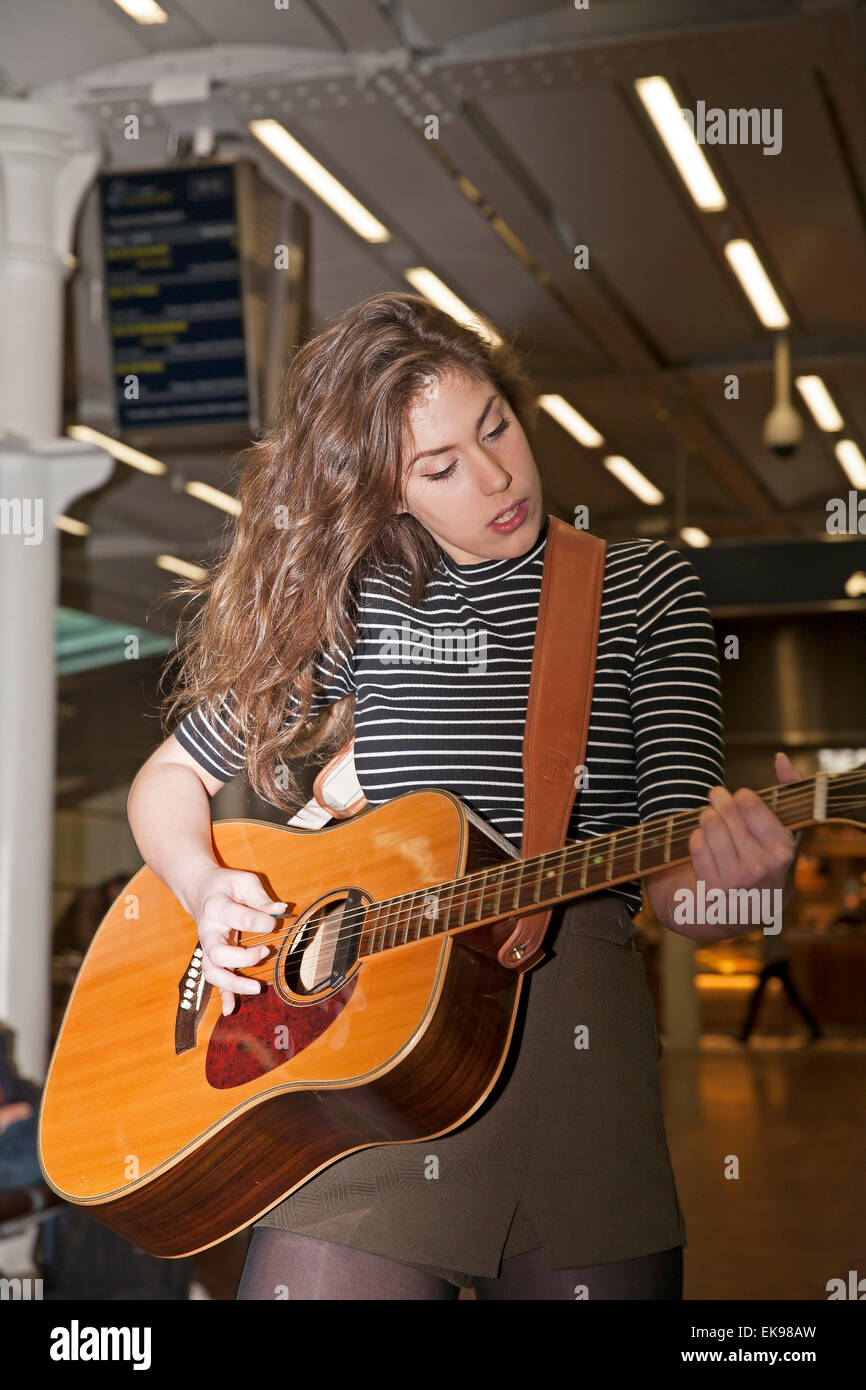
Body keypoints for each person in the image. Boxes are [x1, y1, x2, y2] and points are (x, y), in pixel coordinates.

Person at [127, 292, 802, 1300]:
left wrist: (747, 885)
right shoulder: (362, 599)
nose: (494, 477)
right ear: (388, 493)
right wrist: (201, 884)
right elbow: (170, 777)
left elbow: (678, 897)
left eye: (495, 426)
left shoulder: (642, 590)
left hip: (575, 1071)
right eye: (438, 466)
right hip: (370, 1052)